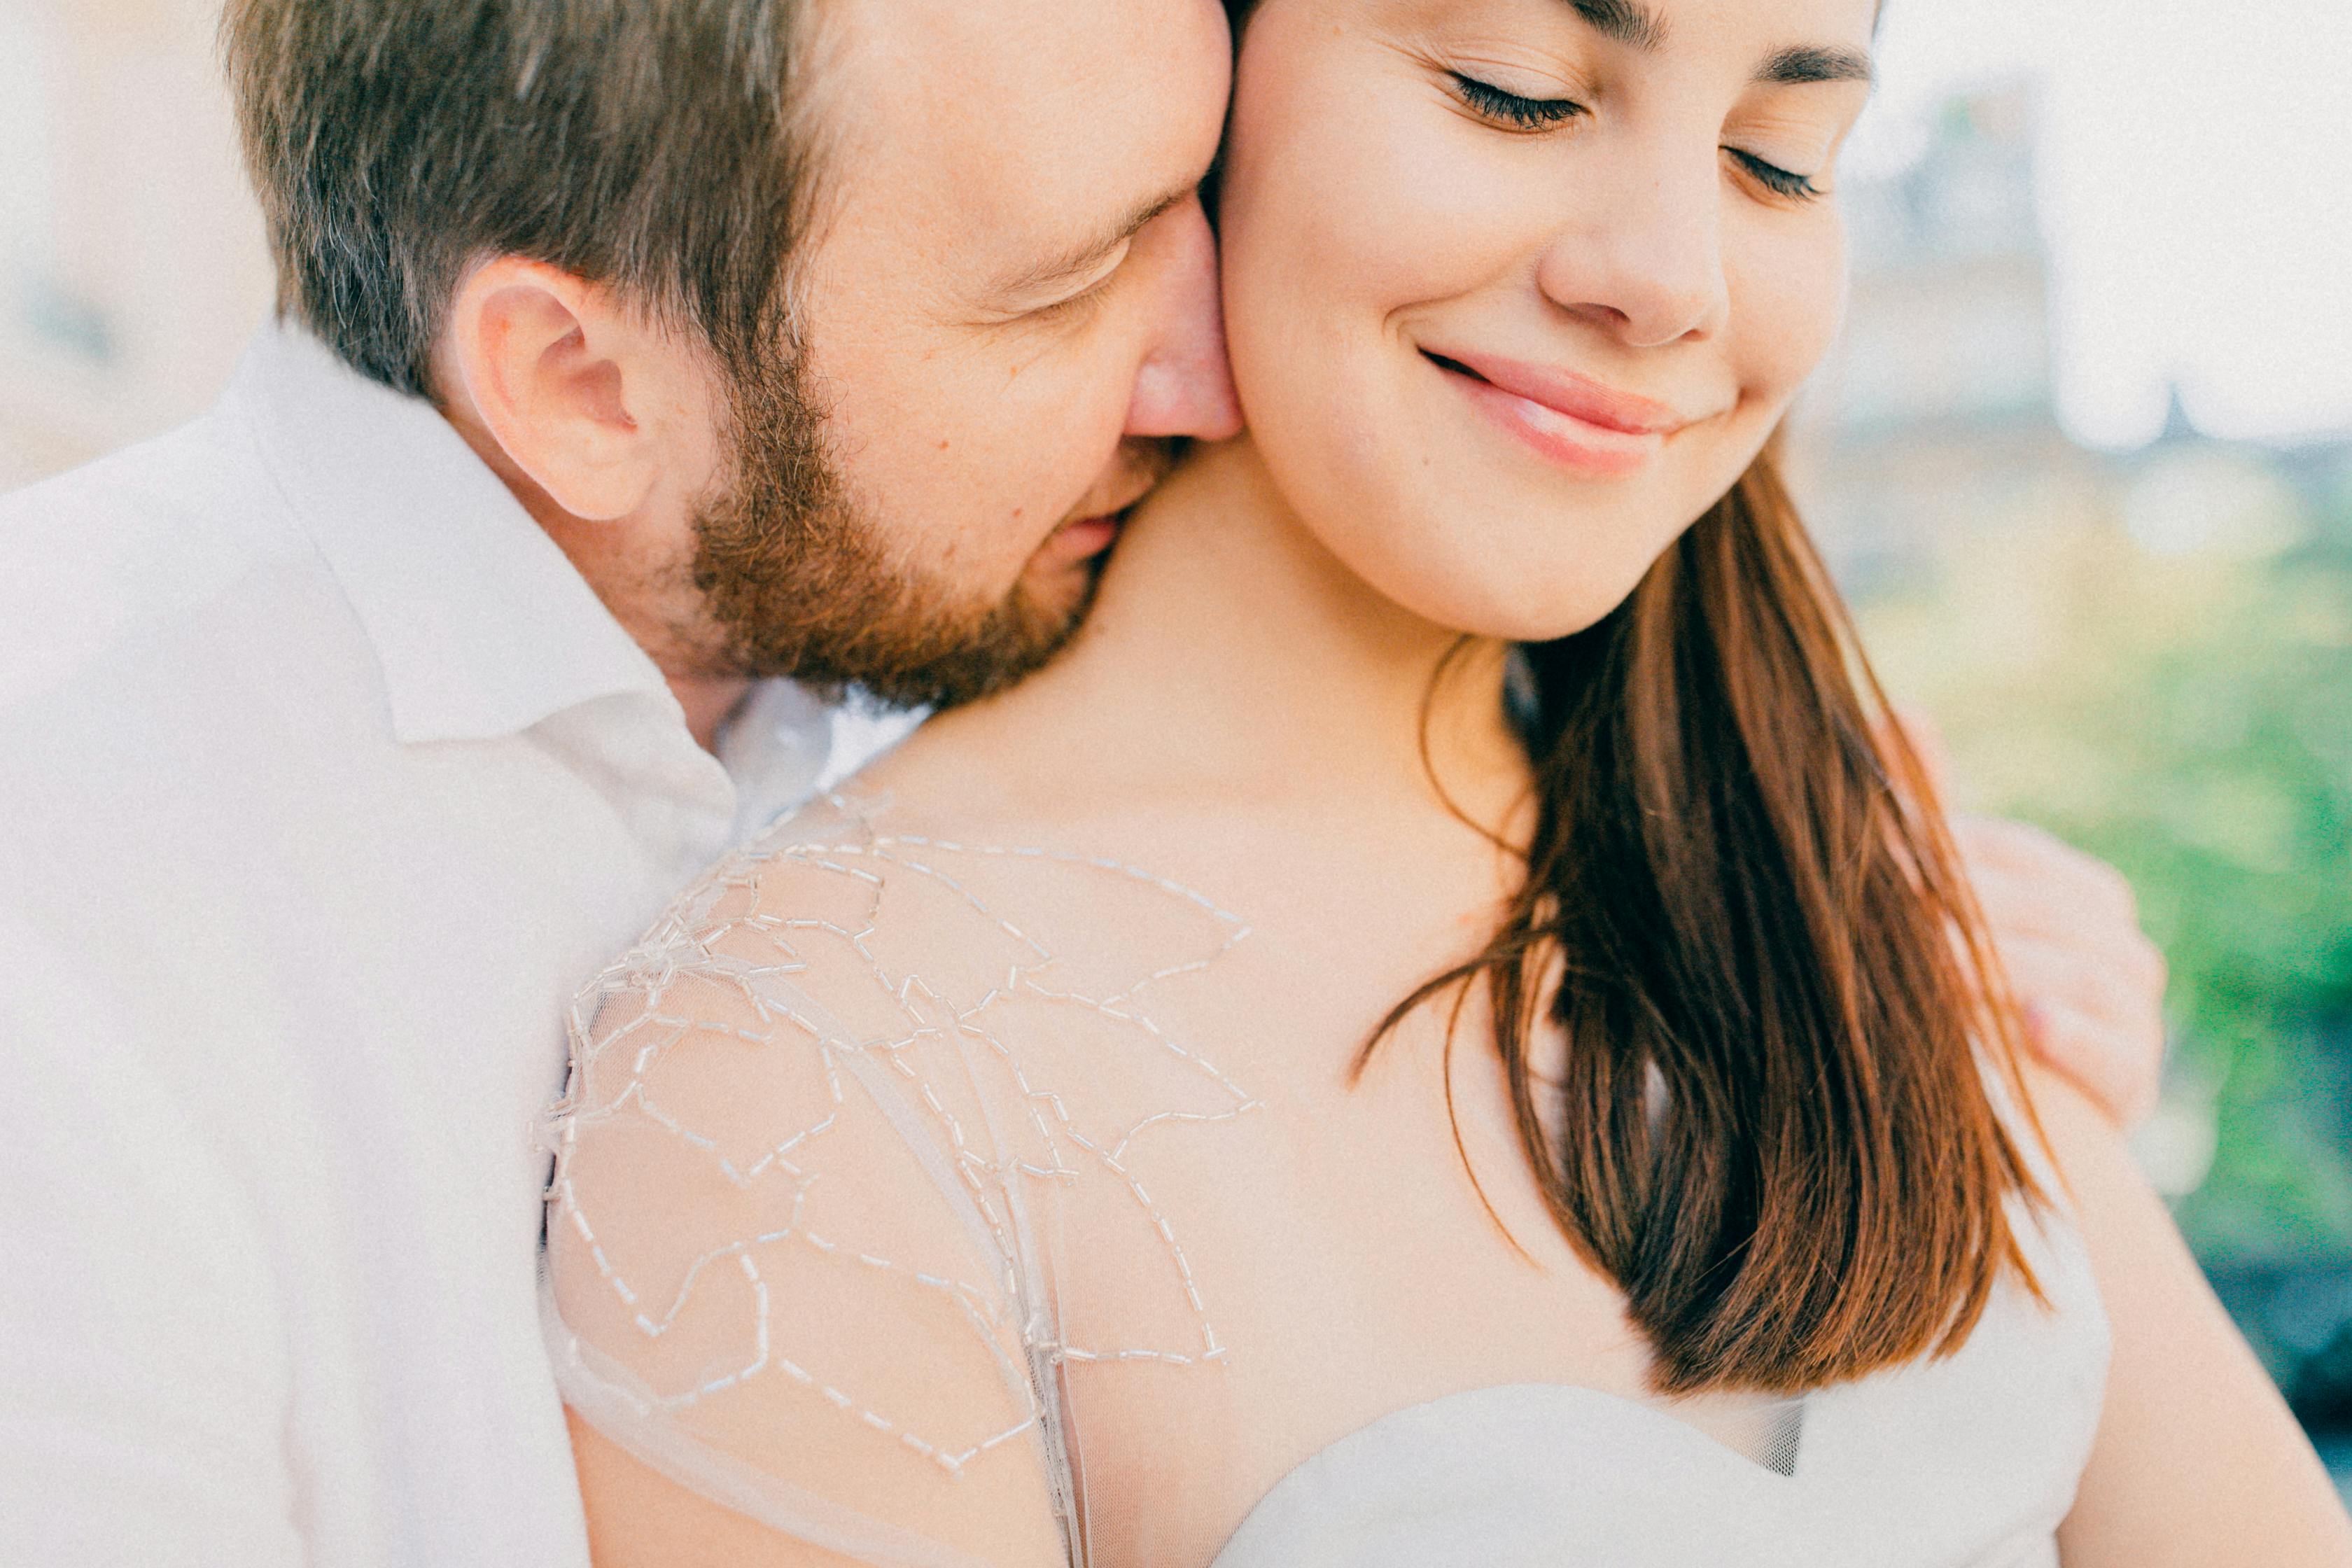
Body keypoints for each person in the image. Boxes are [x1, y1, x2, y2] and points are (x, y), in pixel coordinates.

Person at [0, 0, 2169, 1563]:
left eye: (1193, 193)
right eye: (1063, 286)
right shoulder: (79, 911)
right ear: (580, 384)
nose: (1211, 363)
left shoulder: (835, 628)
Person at [537, 0, 2352, 1564]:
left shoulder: (1825, 859)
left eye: (1782, 159)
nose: (1666, 280)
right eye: (1512, 90)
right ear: (1199, 79)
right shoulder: (794, 1075)